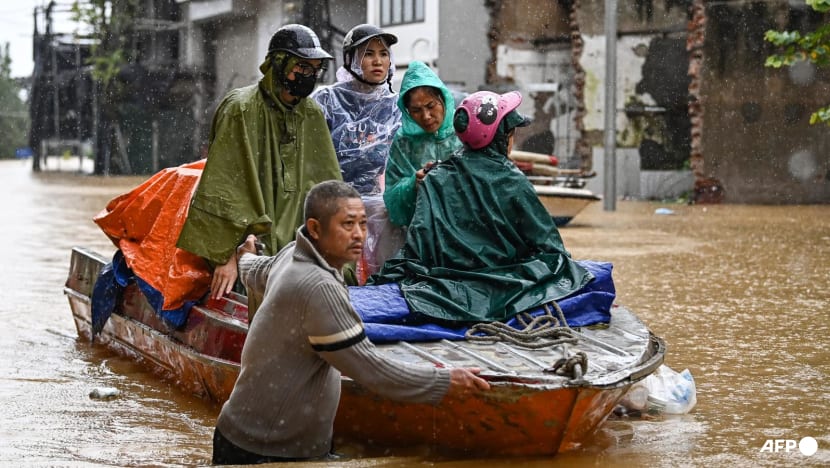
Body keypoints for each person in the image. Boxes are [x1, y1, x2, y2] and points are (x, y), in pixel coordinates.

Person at [212, 180, 490, 465]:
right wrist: (444, 381)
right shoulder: (319, 287)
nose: (359, 235)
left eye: (363, 224)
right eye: (347, 224)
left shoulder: (292, 255)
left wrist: (243, 255)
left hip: (245, 436)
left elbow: (255, 269)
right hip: (265, 451)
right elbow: (368, 367)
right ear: (315, 229)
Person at [370, 91, 594, 323]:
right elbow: (549, 246)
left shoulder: (434, 176)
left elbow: (419, 244)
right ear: (502, 137)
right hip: (503, 282)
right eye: (511, 133)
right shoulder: (512, 180)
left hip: (442, 281)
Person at [176, 24, 343, 311]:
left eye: (315, 69)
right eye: (302, 67)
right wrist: (226, 256)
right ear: (279, 63)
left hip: (298, 251)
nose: (310, 76)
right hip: (252, 249)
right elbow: (223, 187)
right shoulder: (240, 108)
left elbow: (327, 189)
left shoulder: (313, 114)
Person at [311, 24, 402, 281]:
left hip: (380, 204)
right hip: (334, 200)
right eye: (368, 54)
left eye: (383, 54)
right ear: (351, 59)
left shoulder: (397, 105)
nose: (378, 61)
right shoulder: (326, 100)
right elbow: (314, 158)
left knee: (383, 271)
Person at [383, 60, 464, 228]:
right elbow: (392, 199)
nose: (426, 116)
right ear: (407, 112)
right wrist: (413, 184)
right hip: (423, 228)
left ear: (443, 99)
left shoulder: (464, 127)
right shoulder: (404, 141)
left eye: (431, 106)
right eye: (416, 110)